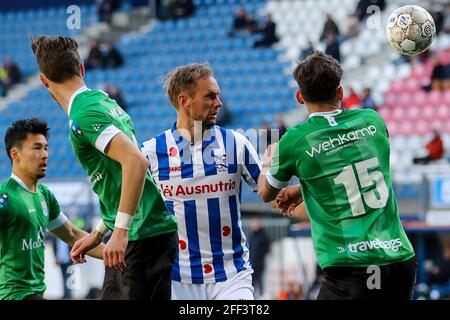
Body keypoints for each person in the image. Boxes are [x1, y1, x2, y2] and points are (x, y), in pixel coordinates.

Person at [258, 51, 417, 300]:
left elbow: (266, 193)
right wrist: (304, 190)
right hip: (399, 260)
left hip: (351, 265)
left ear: (300, 97)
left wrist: (269, 162)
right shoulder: (372, 120)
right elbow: (358, 169)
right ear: (340, 92)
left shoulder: (296, 139)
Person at [31, 36, 178, 300]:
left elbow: (136, 162)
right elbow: (121, 177)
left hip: (139, 235)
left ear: (44, 80)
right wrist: (100, 233)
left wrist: (119, 232)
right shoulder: (103, 101)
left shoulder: (84, 115)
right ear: (82, 69)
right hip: (137, 233)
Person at [141, 63, 261, 300]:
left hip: (231, 275)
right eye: (210, 96)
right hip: (176, 278)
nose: (219, 103)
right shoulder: (150, 153)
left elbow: (274, 195)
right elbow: (128, 208)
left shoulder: (236, 144)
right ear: (185, 101)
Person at [0, 119, 104, 300]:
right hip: (12, 295)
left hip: (36, 293)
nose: (44, 154)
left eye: (46, 148)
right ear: (15, 154)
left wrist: (118, 255)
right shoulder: (5, 198)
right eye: (37, 148)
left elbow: (72, 234)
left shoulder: (44, 195)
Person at [248, 218, 270, 298]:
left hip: (260, 262)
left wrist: (260, 255)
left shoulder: (263, 235)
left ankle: (262, 295)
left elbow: (267, 248)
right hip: (252, 262)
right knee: (252, 281)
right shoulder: (251, 235)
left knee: (261, 280)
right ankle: (253, 296)